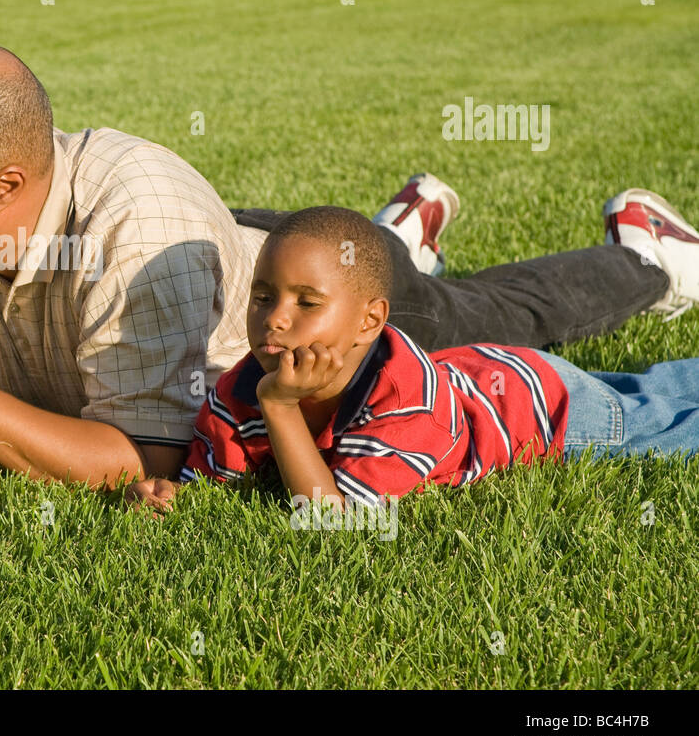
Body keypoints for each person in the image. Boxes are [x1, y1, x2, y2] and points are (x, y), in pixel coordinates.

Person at [0, 41, 694, 513]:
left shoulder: (132, 225)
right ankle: (395, 237)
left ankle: (647, 258)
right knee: (318, 260)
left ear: (5, 188)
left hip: (298, 327)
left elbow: (138, 459)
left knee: (499, 317)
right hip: (252, 256)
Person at [128, 205, 698, 515]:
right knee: (646, 389)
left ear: (370, 321)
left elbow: (335, 522)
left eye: (307, 303)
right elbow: (213, 475)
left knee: (659, 418)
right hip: (478, 371)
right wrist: (173, 493)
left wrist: (279, 410)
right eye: (262, 297)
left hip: (544, 409)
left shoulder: (404, 405)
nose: (274, 319)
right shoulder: (240, 387)